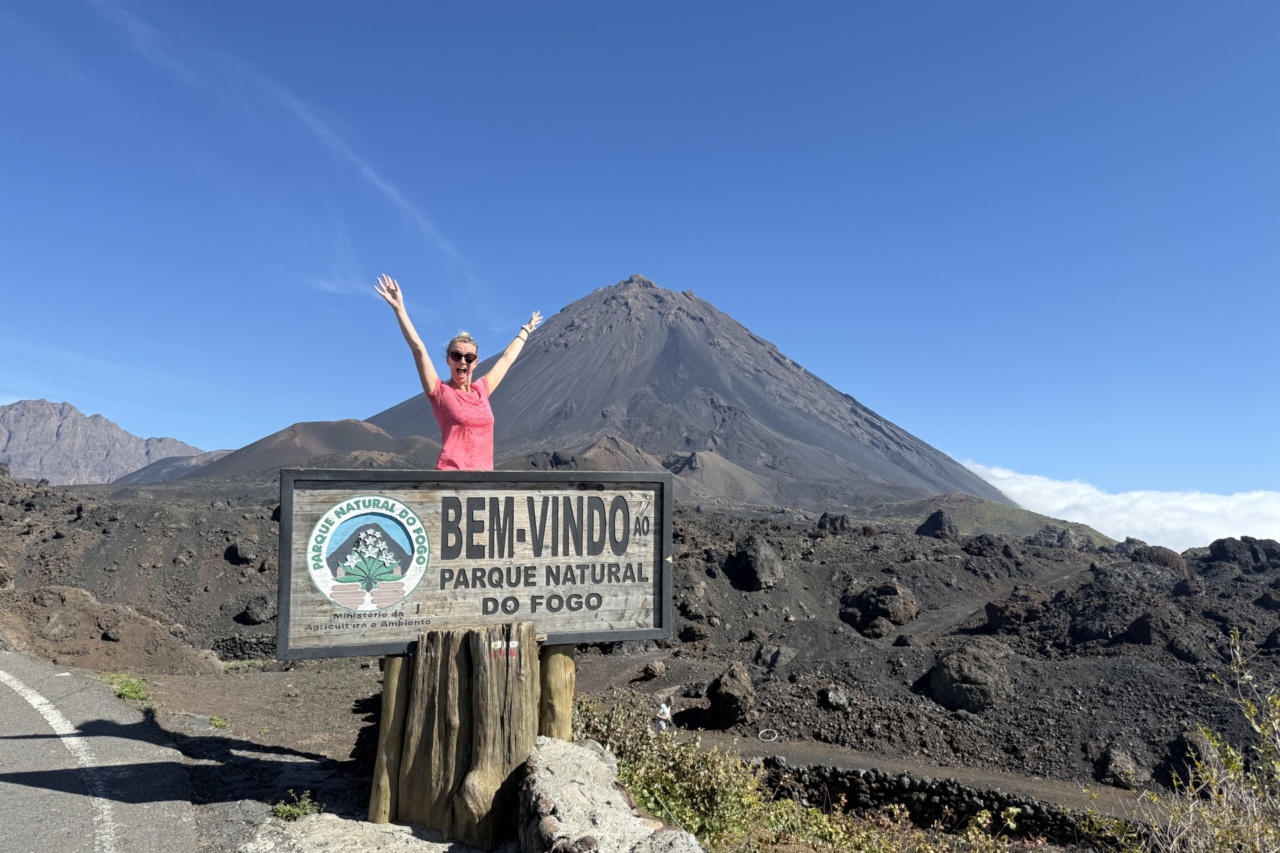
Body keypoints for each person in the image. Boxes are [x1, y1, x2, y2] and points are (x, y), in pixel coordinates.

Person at [376, 274, 542, 471]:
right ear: (448, 360)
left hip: (483, 482)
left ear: (475, 362)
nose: (462, 361)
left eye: (469, 357)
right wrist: (399, 308)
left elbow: (507, 358)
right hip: (449, 480)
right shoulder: (440, 392)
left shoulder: (482, 390)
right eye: (456, 355)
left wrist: (526, 330)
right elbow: (418, 349)